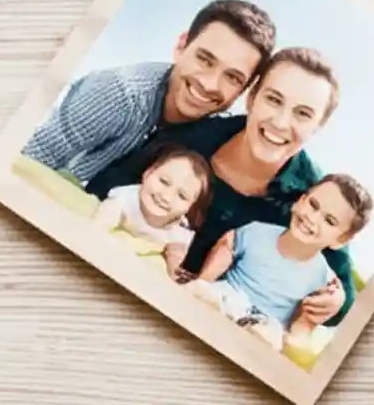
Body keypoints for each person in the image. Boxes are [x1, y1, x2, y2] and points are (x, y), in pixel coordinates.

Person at [85, 46, 357, 328]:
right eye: (273, 100)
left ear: (318, 126)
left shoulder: (315, 197)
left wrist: (332, 302)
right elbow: (106, 185)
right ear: (252, 98)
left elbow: (344, 299)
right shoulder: (191, 141)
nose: (280, 122)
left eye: (303, 114)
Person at [22, 0, 276, 183]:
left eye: (232, 77)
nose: (210, 84)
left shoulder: (212, 136)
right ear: (181, 45)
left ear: (243, 91)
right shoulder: (118, 94)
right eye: (205, 60)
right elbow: (29, 158)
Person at [186, 174, 374, 351]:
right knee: (206, 293)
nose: (312, 218)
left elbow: (305, 322)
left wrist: (297, 336)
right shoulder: (257, 231)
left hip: (266, 323)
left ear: (340, 240)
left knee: (270, 337)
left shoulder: (323, 281)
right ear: (299, 201)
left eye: (329, 220)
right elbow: (227, 245)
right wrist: (204, 279)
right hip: (228, 295)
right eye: (313, 205)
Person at [92, 142, 211, 272]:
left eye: (182, 196)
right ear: (148, 173)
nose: (166, 197)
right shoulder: (126, 198)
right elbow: (97, 228)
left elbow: (175, 270)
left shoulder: (179, 230)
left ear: (190, 208)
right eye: (164, 182)